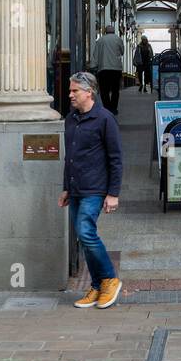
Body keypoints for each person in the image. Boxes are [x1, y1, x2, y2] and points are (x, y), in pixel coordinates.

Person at [59, 71, 123, 310]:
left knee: (86, 233)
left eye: (75, 91)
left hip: (95, 188)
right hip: (76, 188)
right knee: (84, 238)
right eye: (70, 90)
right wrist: (66, 187)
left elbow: (116, 158)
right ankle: (97, 286)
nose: (70, 95)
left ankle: (110, 279)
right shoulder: (71, 119)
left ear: (89, 92)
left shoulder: (105, 119)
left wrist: (113, 193)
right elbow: (70, 157)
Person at [90, 22, 124, 115]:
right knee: (115, 90)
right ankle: (113, 108)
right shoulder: (118, 39)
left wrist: (93, 66)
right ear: (113, 31)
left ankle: (107, 108)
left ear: (105, 31)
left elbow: (95, 55)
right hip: (116, 68)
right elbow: (122, 52)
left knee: (104, 90)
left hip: (103, 69)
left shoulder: (100, 40)